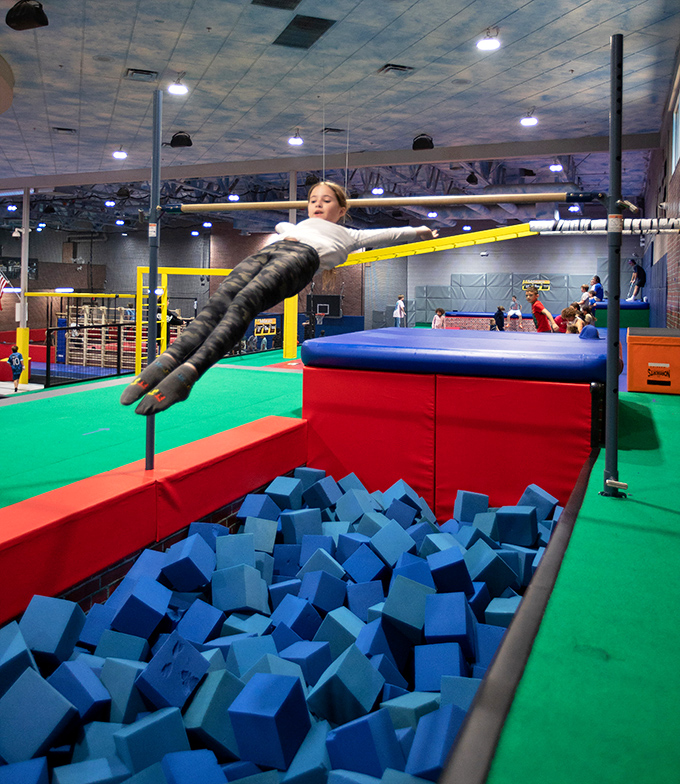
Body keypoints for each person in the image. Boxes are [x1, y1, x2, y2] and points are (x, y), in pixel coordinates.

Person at [121, 181, 438, 414]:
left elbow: (391, 234)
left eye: (326, 201)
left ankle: (190, 374)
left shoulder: (352, 235)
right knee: (220, 301)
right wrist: (286, 227)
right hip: (274, 249)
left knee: (244, 303)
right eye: (313, 199)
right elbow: (282, 222)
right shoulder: (298, 223)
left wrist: (420, 230)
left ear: (341, 210)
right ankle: (169, 359)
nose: (317, 204)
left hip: (301, 259)